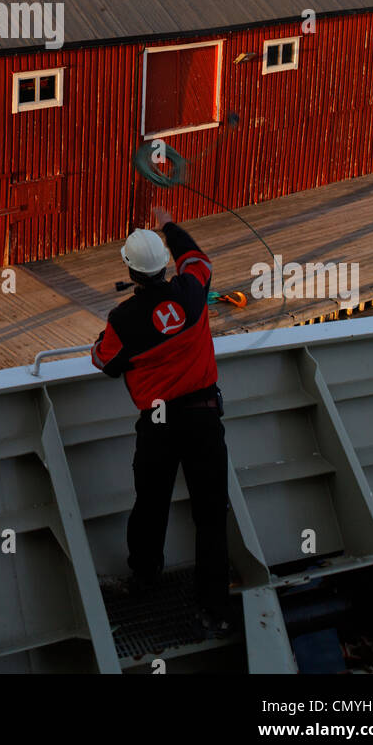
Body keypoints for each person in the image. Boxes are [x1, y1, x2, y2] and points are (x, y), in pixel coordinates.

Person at [91, 207, 232, 634]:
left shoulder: (123, 320)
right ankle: (213, 604)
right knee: (211, 515)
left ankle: (146, 577)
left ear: (130, 271)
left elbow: (104, 359)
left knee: (150, 504)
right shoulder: (191, 290)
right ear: (165, 265)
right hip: (205, 416)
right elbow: (198, 259)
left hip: (159, 423)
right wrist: (168, 226)